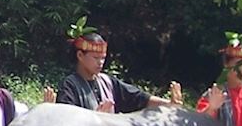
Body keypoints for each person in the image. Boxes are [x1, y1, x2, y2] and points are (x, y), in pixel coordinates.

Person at [54, 27, 183, 113]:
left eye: (103, 58)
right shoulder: (69, 86)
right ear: (80, 56)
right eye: (95, 58)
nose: (100, 62)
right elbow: (67, 123)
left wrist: (169, 104)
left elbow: (139, 99)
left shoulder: (107, 82)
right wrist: (95, 118)